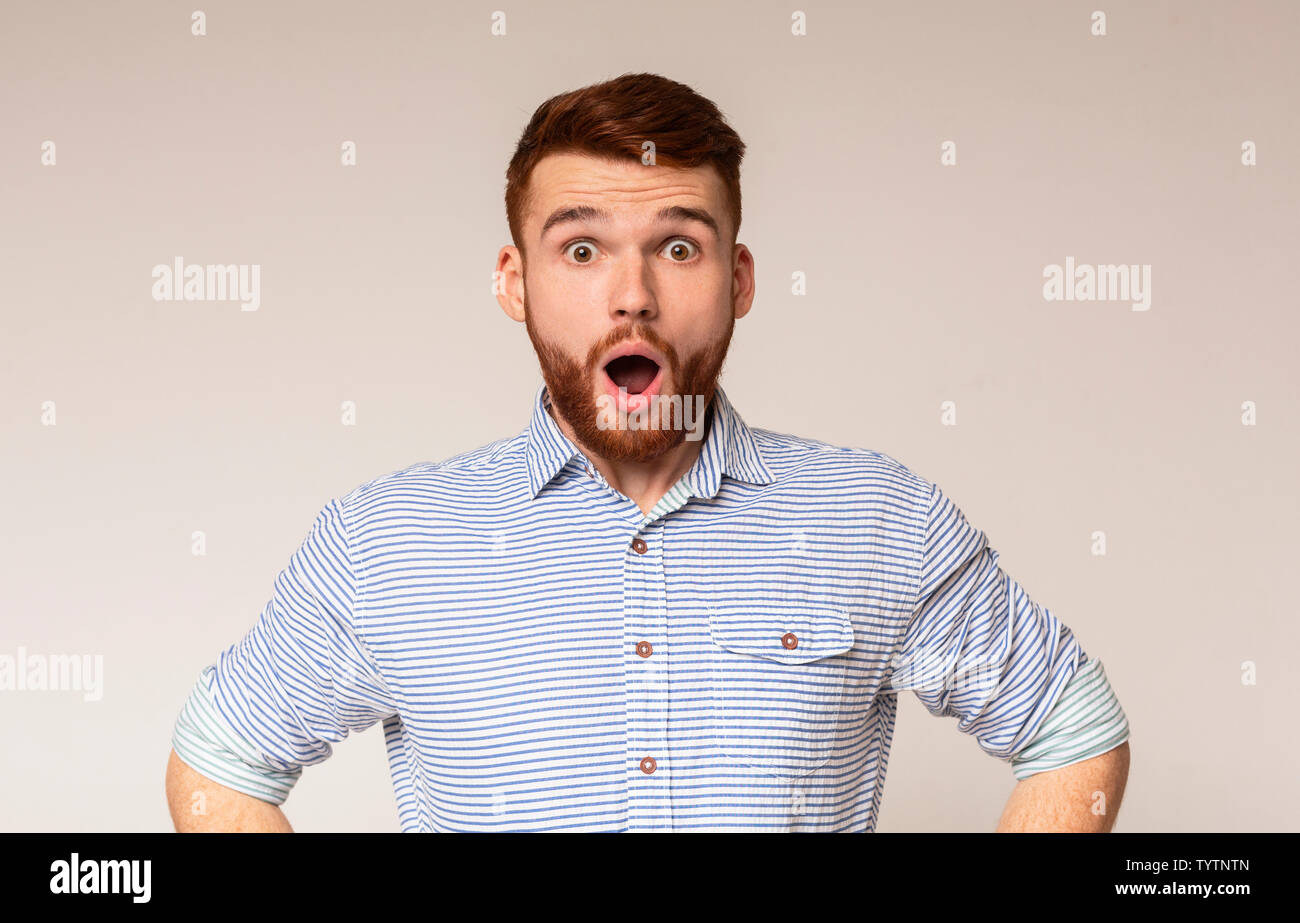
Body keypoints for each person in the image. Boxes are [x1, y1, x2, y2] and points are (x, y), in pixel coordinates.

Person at [165, 72, 1130, 832]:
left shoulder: (877, 518)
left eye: (678, 247)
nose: (632, 296)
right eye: (580, 249)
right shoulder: (385, 541)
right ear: (516, 281)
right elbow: (217, 767)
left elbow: (1072, 731)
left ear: (738, 277)